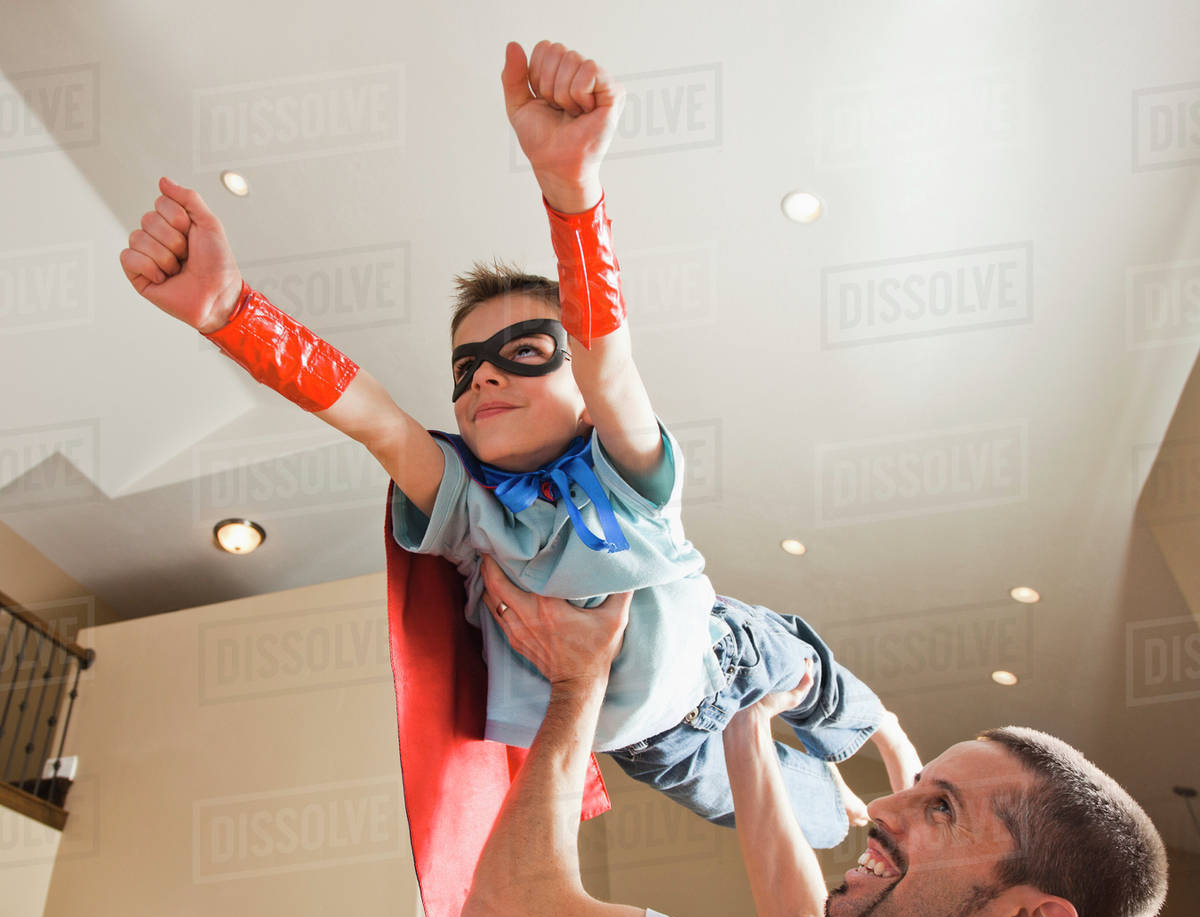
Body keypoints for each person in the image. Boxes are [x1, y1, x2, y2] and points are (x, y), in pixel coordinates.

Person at [118, 41, 919, 846]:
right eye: (466, 372)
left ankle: (895, 750)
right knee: (794, 817)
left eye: (526, 353)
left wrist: (572, 192)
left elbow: (606, 351)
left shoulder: (629, 475)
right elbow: (375, 419)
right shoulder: (468, 513)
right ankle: (852, 806)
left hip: (724, 649)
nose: (484, 382)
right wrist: (233, 314)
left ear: (579, 395)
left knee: (811, 675)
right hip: (654, 736)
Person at [461, 556, 1168, 917]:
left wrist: (577, 683)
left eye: (942, 810)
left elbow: (514, 911)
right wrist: (747, 727)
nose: (884, 809)